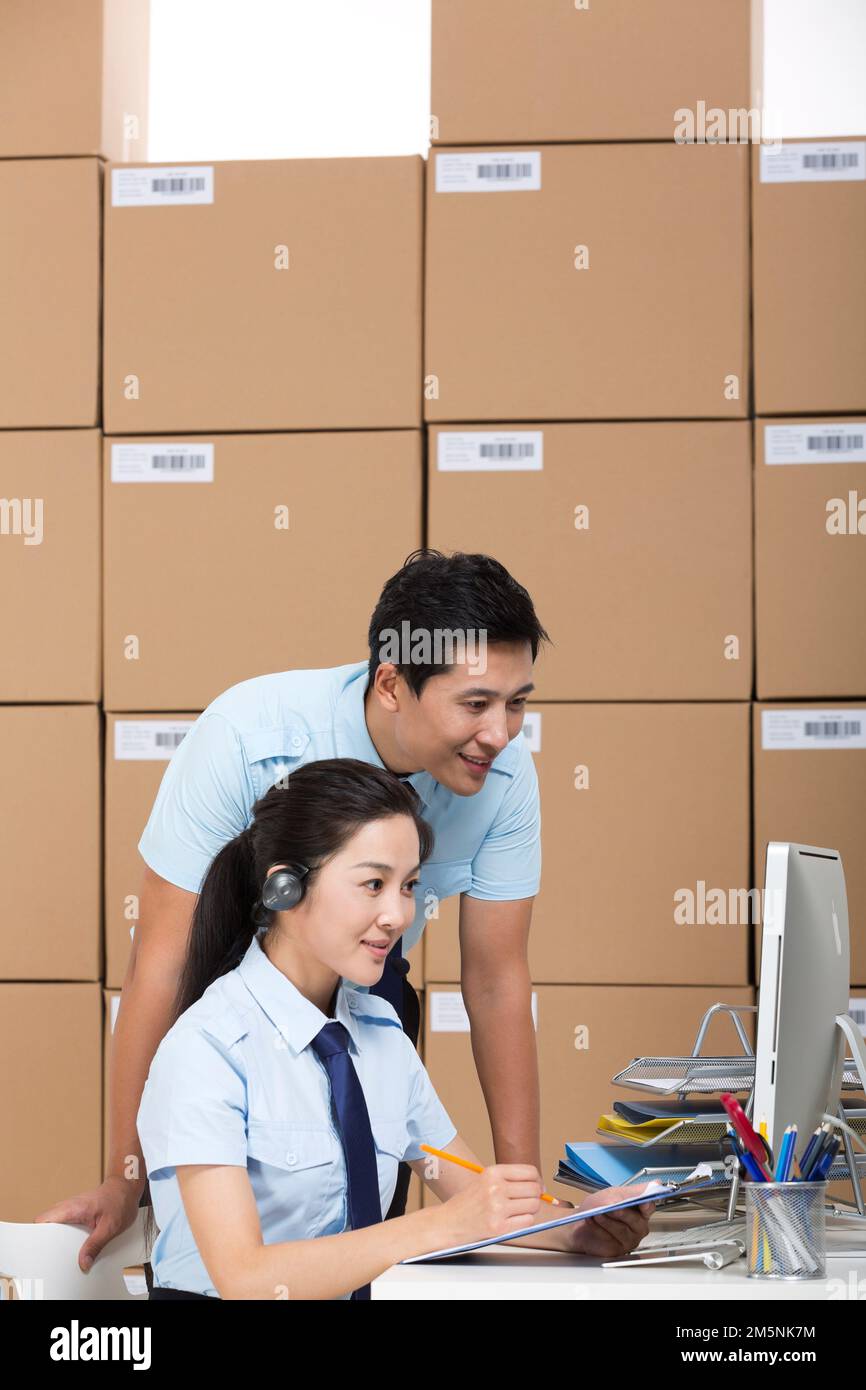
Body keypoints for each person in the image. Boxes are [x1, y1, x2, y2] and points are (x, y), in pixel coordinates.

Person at [37, 549, 553, 1270]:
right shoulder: (248, 735)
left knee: (358, 1235)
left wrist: (520, 1210)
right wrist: (126, 1181)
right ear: (391, 683)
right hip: (232, 993)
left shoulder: (383, 1039)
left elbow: (496, 982)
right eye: (475, 705)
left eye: (518, 702)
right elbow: (161, 962)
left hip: (362, 992)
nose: (501, 734)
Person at [137, 758, 654, 1298]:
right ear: (285, 890)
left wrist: (577, 1232)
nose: (399, 914)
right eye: (373, 884)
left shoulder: (381, 1035)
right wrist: (442, 1224)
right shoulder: (208, 1048)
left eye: (408, 886)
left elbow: (475, 1204)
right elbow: (244, 1278)